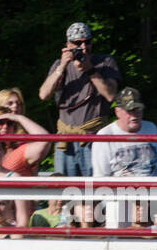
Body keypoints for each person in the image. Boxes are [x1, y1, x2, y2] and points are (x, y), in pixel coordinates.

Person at [38, 22, 121, 178]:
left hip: (94, 139)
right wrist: (62, 66)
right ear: (68, 45)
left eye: (87, 42)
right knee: (63, 192)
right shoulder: (60, 65)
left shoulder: (105, 62)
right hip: (65, 140)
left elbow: (110, 95)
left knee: (94, 192)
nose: (83, 47)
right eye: (77, 43)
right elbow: (44, 94)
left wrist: (90, 70)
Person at [92, 88, 157, 227]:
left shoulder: (151, 128)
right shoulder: (105, 135)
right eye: (129, 110)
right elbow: (101, 179)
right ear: (117, 111)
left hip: (152, 197)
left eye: (137, 109)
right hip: (119, 198)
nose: (134, 114)